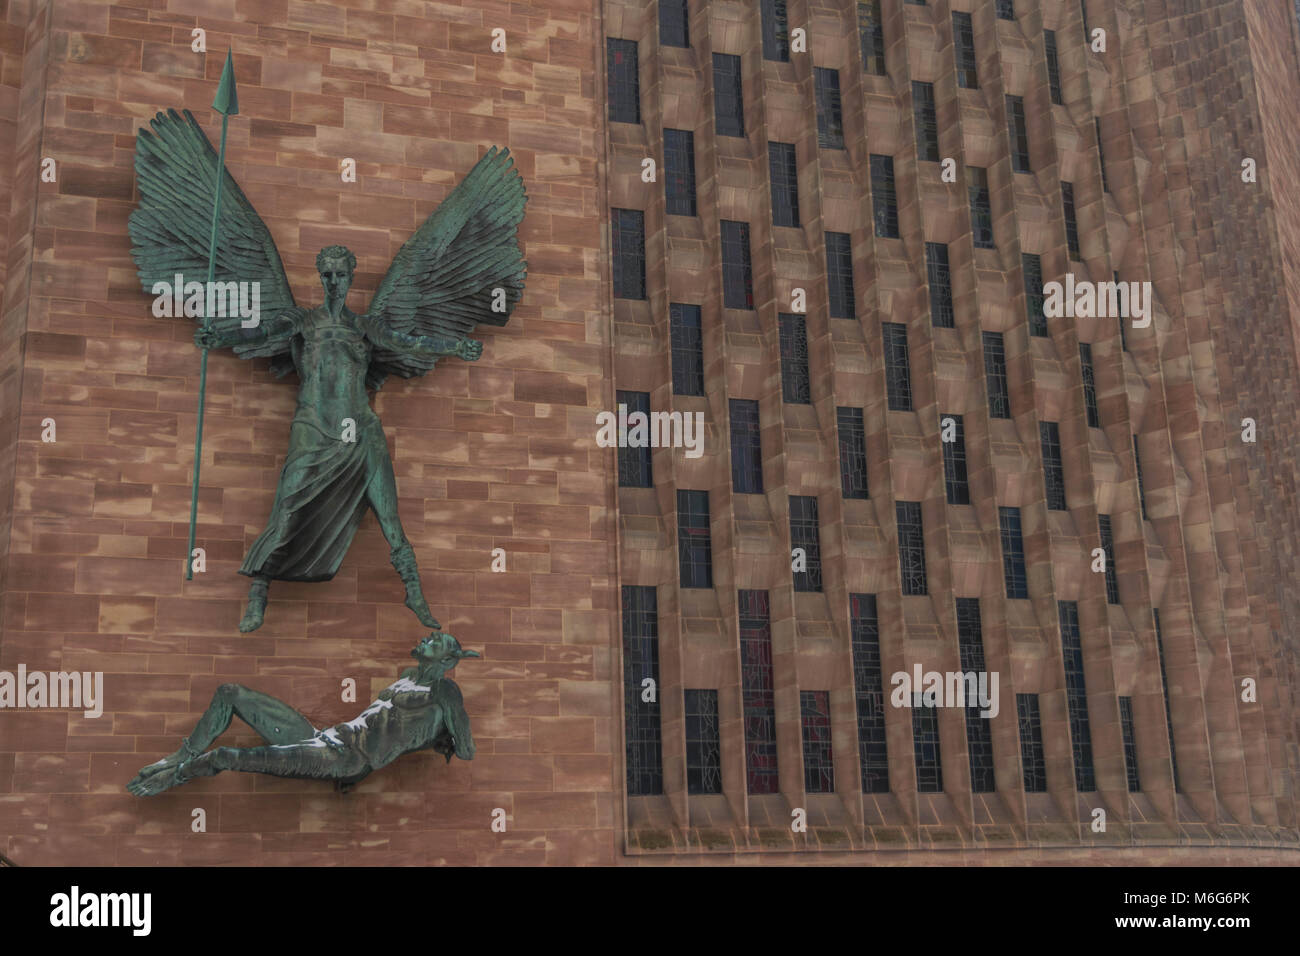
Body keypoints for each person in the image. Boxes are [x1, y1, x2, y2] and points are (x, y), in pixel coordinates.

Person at [127, 632, 479, 796]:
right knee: (230, 693)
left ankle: (174, 777)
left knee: (225, 756)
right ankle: (178, 757)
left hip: (343, 758)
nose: (427, 638)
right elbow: (389, 731)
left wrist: (436, 738)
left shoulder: (444, 692)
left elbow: (466, 750)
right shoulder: (406, 677)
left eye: (436, 642)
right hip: (323, 737)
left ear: (448, 662)